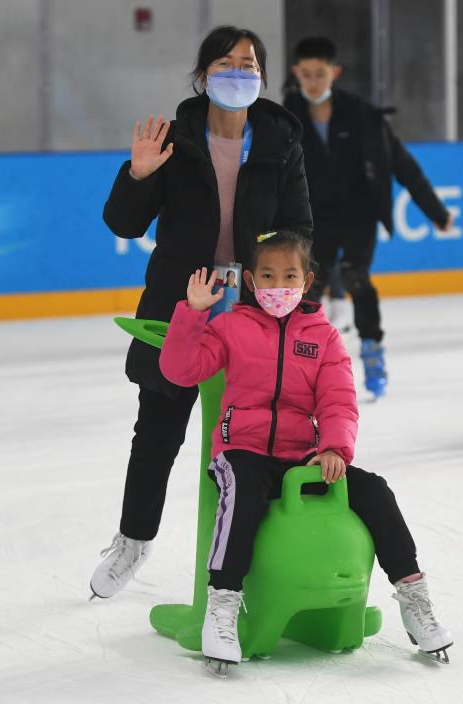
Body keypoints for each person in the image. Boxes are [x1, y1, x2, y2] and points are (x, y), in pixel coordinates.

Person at [158, 230, 453, 669]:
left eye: (289, 275)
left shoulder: (323, 337)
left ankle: (414, 598)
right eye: (268, 275)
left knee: (374, 490)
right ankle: (222, 606)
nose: (279, 286)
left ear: (307, 280)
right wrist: (193, 313)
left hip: (302, 456)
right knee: (243, 491)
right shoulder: (231, 326)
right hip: (243, 451)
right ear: (253, 282)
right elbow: (181, 371)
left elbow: (338, 399)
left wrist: (335, 449)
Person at [91, 26, 312, 600]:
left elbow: (299, 229)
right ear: (203, 75)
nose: (238, 73)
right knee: (158, 431)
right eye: (226, 63)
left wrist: (284, 291)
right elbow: (123, 223)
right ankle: (133, 541)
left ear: (262, 77)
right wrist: (139, 175)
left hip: (255, 312)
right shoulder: (176, 138)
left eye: (249, 64)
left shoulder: (280, 141)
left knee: (256, 439)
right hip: (178, 303)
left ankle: (250, 565)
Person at [284, 36, 453, 399]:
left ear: (335, 72)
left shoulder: (362, 115)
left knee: (356, 277)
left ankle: (373, 349)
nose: (313, 82)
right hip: (311, 220)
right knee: (308, 289)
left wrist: (435, 212)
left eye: (321, 74)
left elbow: (403, 165)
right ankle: (303, 360)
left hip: (358, 215)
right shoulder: (285, 120)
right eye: (307, 74)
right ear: (296, 73)